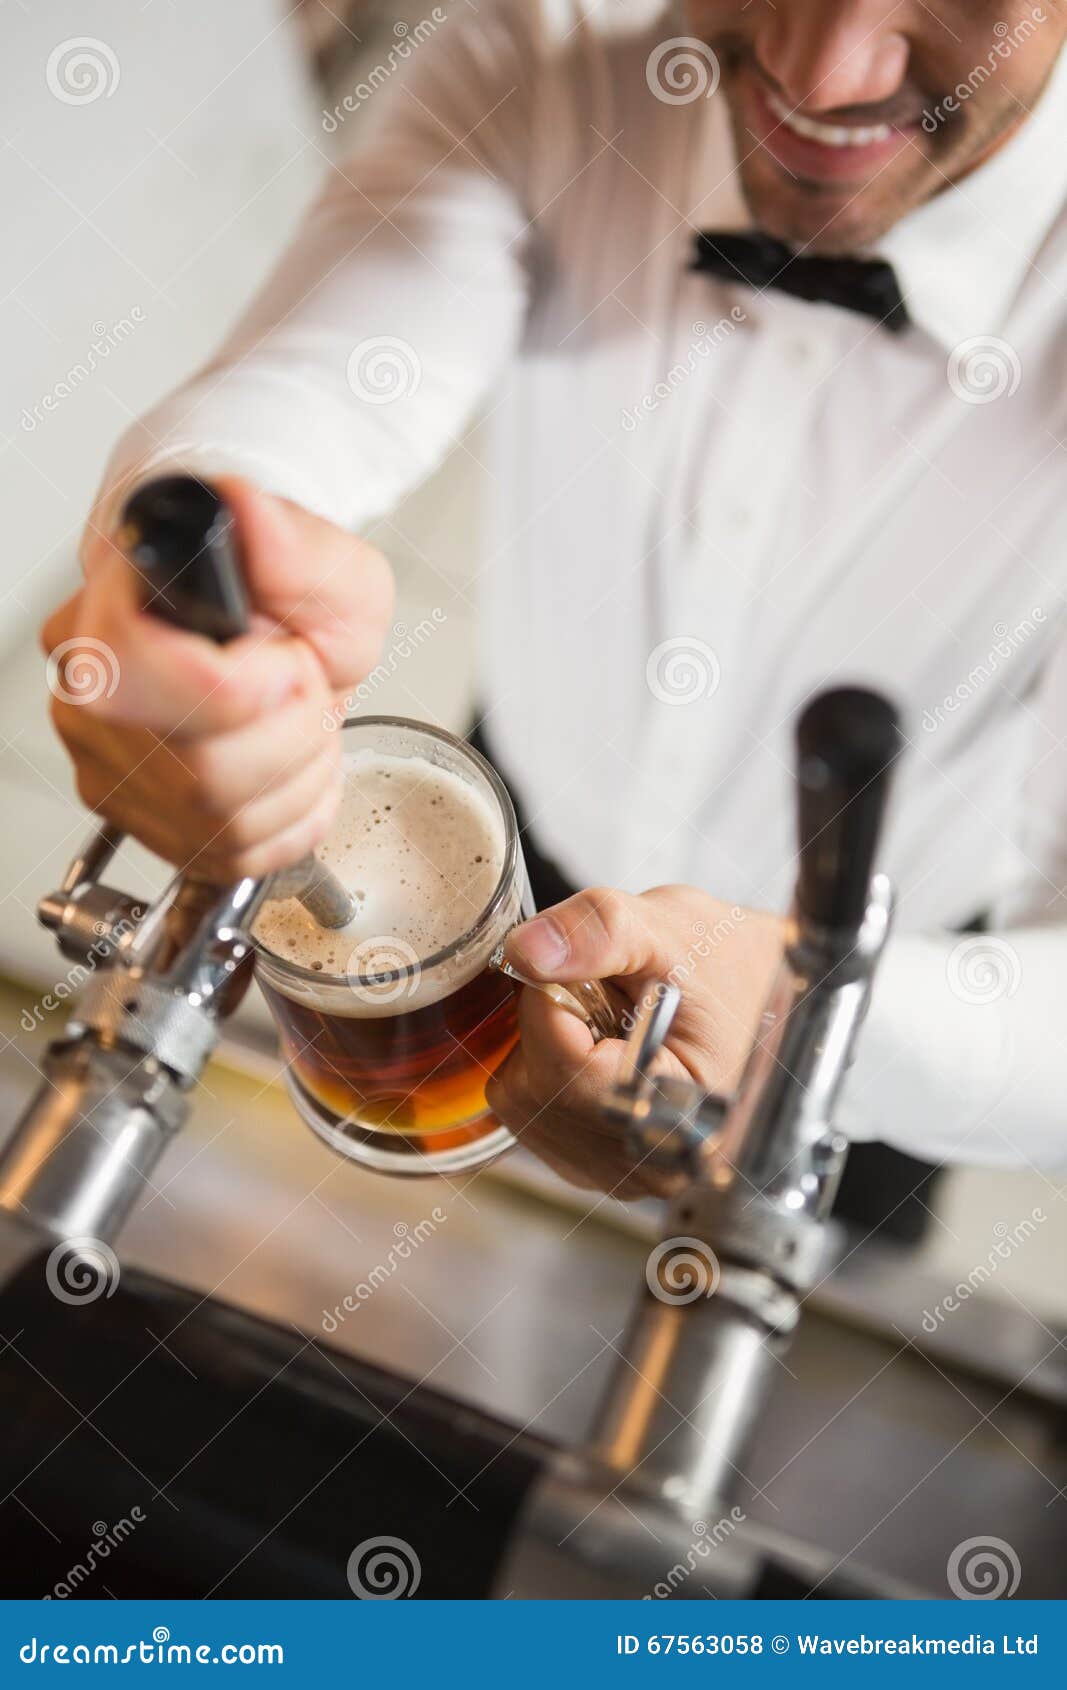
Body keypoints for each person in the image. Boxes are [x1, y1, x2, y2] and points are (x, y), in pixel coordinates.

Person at [42, 1, 1067, 1215]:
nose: (816, 70)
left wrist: (804, 1028)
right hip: (506, 845)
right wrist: (174, 603)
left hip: (879, 986)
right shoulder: (549, 44)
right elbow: (301, 397)